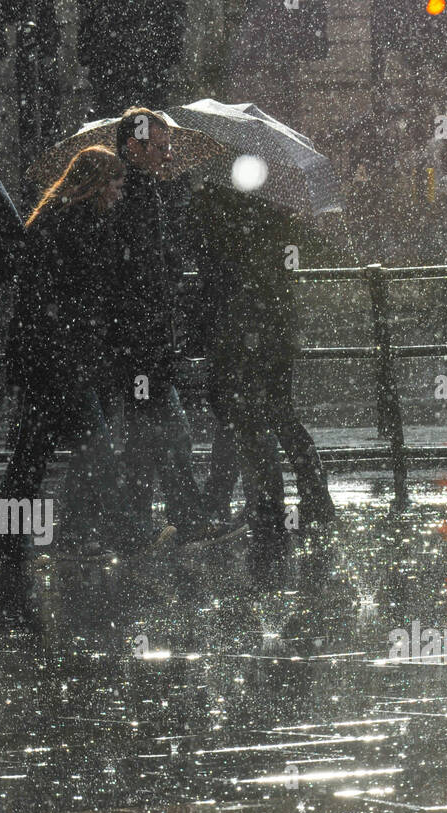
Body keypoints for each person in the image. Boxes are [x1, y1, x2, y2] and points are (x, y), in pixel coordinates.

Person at [0, 146, 156, 564]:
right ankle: (131, 537)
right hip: (61, 359)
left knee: (31, 456)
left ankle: (10, 542)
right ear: (98, 184)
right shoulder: (74, 226)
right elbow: (77, 299)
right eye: (117, 185)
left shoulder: (60, 220)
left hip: (49, 357)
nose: (120, 194)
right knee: (95, 449)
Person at [186, 183, 336, 583]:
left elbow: (211, 266)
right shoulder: (275, 207)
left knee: (248, 421)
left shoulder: (213, 205)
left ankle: (267, 509)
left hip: (239, 330)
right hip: (273, 328)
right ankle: (311, 501)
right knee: (276, 417)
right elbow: (304, 254)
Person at [111, 107, 214, 543]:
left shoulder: (143, 190)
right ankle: (183, 522)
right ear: (133, 146)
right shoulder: (128, 194)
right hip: (141, 338)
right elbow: (135, 271)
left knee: (146, 439)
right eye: (159, 147)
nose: (167, 156)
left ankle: (137, 526)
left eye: (169, 147)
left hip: (143, 337)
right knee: (168, 434)